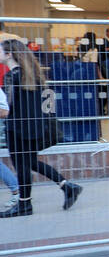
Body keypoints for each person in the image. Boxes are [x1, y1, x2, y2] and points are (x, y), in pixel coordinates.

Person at [0, 38, 81, 218]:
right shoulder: (34, 75)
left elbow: (7, 109)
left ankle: (24, 205)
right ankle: (68, 187)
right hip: (34, 126)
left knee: (22, 166)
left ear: (9, 54)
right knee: (29, 163)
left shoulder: (11, 77)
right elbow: (48, 101)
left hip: (18, 128)